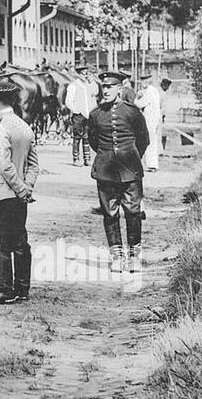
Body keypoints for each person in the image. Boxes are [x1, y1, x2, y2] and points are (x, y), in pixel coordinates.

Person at [0, 85, 39, 305]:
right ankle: (22, 289)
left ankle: (3, 289)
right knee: (19, 241)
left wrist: (20, 189)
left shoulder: (0, 128)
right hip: (19, 198)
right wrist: (26, 188)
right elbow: (33, 165)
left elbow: (4, 165)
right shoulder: (24, 126)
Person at [86, 71, 150, 274]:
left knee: (133, 212)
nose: (105, 90)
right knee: (110, 213)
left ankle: (134, 256)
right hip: (105, 170)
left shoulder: (132, 112)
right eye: (103, 87)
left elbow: (143, 140)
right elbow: (94, 142)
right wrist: (108, 157)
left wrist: (129, 157)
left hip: (130, 170)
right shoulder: (95, 115)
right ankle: (117, 257)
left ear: (120, 88)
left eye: (110, 87)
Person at [64, 65, 97, 166]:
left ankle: (87, 158)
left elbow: (95, 93)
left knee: (87, 137)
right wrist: (76, 110)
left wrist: (92, 82)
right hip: (78, 114)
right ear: (79, 75)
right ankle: (76, 159)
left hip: (87, 114)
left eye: (87, 74)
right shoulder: (73, 85)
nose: (85, 76)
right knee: (77, 137)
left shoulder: (89, 85)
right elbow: (68, 101)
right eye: (83, 74)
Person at [134, 74, 164, 172]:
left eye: (145, 81)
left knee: (149, 142)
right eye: (142, 81)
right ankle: (152, 164)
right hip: (154, 119)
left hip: (150, 120)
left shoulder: (149, 92)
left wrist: (137, 97)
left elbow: (138, 104)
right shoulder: (154, 90)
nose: (143, 84)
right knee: (152, 142)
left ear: (148, 81)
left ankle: (152, 165)